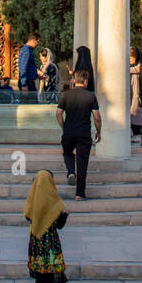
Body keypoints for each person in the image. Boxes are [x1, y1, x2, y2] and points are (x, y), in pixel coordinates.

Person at [25, 170, 68, 283]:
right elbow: (59, 225)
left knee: (39, 279)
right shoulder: (54, 201)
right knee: (48, 281)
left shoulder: (32, 199)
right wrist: (65, 215)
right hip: (50, 244)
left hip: (36, 242)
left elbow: (27, 216)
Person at [57, 68, 101, 200]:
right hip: (84, 133)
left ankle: (71, 172)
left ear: (74, 80)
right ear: (86, 81)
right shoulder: (91, 96)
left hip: (69, 132)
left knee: (67, 152)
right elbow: (97, 117)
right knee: (82, 162)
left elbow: (58, 113)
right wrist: (99, 132)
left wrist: (64, 127)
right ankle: (79, 194)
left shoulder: (65, 95)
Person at [128, 47, 142, 139]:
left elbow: (137, 70)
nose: (129, 60)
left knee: (136, 113)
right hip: (130, 93)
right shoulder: (129, 66)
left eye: (130, 58)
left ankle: (137, 134)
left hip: (137, 94)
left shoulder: (140, 65)